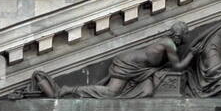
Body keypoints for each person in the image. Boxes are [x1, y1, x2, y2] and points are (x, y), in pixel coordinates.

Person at [34, 22, 193, 100]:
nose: (189, 36)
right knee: (111, 92)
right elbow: (178, 67)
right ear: (180, 34)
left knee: (147, 92)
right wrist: (192, 54)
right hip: (127, 64)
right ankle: (67, 90)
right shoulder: (169, 44)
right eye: (187, 33)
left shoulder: (168, 43)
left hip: (138, 70)